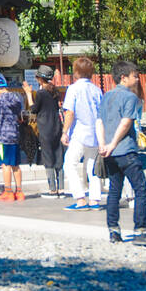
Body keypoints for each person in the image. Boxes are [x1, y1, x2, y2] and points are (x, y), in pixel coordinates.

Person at [99, 60, 146, 245]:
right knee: (141, 190)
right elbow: (126, 122)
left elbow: (99, 121)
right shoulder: (130, 97)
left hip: (109, 153)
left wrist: (103, 144)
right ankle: (140, 230)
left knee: (114, 191)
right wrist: (114, 143)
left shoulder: (106, 96)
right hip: (126, 150)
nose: (137, 79)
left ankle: (114, 231)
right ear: (123, 78)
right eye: (135, 76)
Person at [61, 57, 104, 210]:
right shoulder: (97, 90)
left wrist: (65, 131)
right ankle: (95, 199)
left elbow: (70, 112)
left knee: (69, 164)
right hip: (95, 134)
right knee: (93, 168)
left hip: (79, 132)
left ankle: (80, 199)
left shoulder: (73, 89)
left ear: (76, 72)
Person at [24, 66, 64, 197]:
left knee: (48, 157)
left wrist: (29, 93)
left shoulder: (41, 93)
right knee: (58, 155)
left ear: (40, 78)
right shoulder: (55, 91)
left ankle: (52, 189)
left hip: (45, 127)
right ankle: (61, 188)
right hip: (57, 126)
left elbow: (33, 109)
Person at [0, 82, 25, 201]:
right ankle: (19, 192)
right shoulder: (16, 98)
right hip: (14, 135)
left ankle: (8, 191)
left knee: (5, 164)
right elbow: (20, 115)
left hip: (1, 136)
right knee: (15, 165)